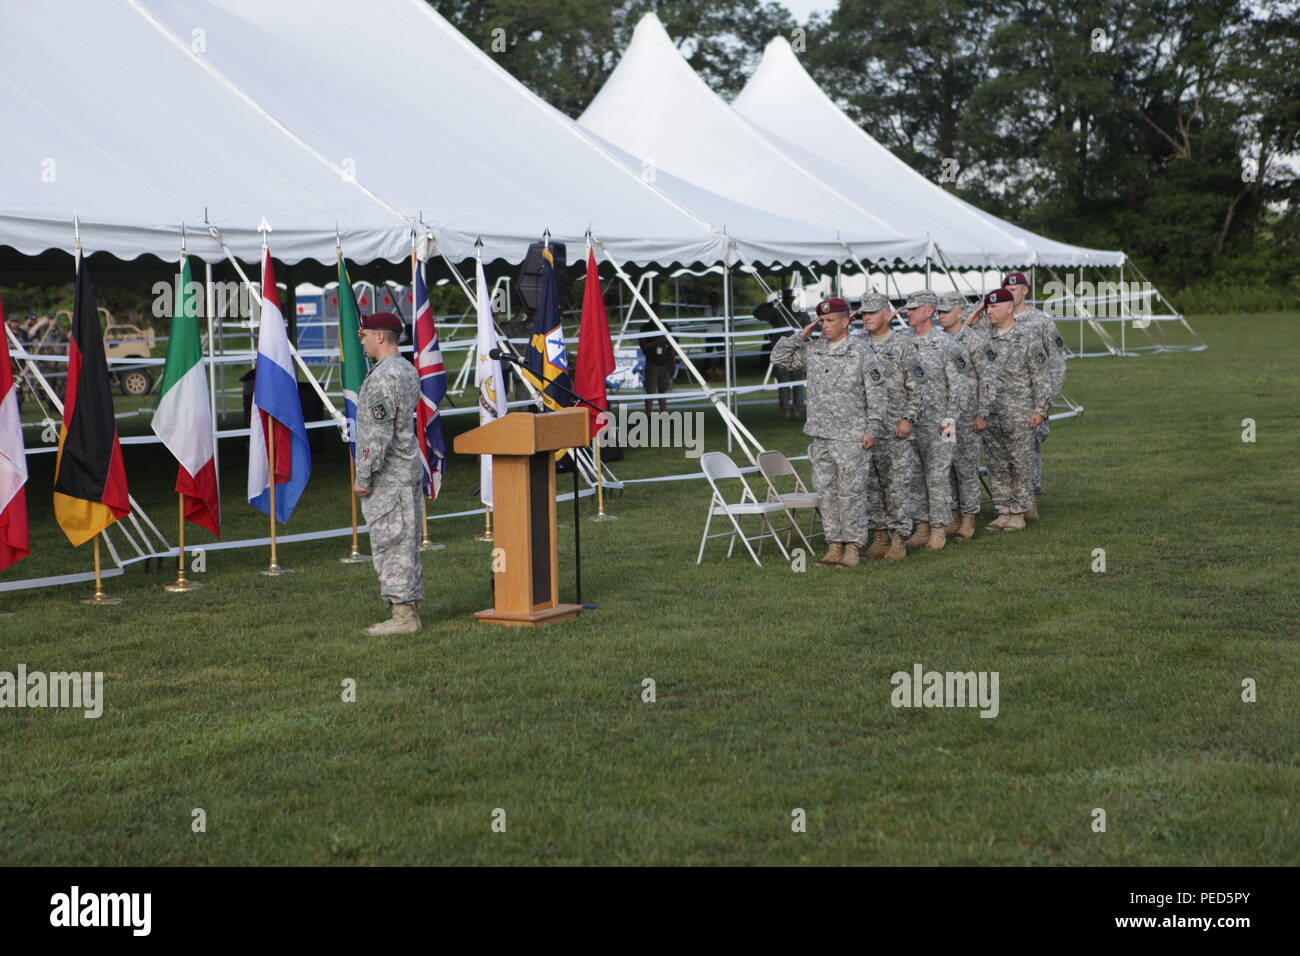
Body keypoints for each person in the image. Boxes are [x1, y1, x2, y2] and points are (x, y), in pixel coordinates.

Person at [770, 297, 888, 567]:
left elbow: (878, 394)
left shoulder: (861, 351)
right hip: (822, 435)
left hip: (852, 436)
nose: (824, 325)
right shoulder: (814, 350)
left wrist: (873, 428)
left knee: (851, 494)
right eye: (821, 320)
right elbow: (778, 357)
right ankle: (834, 544)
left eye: (830, 320)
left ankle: (853, 547)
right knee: (827, 494)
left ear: (846, 321)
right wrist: (801, 335)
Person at [352, 311, 425, 635]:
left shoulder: (383, 376)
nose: (362, 341)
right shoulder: (406, 369)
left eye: (364, 334)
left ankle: (403, 617)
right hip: (405, 471)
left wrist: (363, 476)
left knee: (391, 544)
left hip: (389, 476)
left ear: (380, 336)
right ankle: (406, 611)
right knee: (405, 542)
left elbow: (378, 434)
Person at [974, 289, 1052, 532]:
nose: (989, 311)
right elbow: (960, 337)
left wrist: (1040, 410)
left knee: (1020, 463)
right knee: (997, 463)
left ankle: (1019, 511)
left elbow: (1041, 377)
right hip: (992, 411)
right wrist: (971, 317)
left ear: (1009, 308)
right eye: (988, 307)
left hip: (1020, 412)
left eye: (994, 307)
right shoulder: (985, 337)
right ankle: (1003, 510)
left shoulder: (1028, 337)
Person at [857, 292, 923, 561]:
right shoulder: (857, 345)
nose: (867, 317)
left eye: (872, 312)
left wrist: (909, 418)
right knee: (872, 486)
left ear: (887, 314)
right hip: (866, 429)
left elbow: (918, 387)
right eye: (863, 313)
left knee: (896, 486)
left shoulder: (903, 345)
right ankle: (880, 536)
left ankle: (899, 538)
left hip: (895, 427)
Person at [903, 290, 971, 551]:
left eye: (914, 308)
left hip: (942, 423)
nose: (908, 312)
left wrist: (950, 420)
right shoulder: (903, 342)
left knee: (938, 476)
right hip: (913, 423)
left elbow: (959, 387)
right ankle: (921, 525)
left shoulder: (947, 345)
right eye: (907, 308)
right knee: (916, 477)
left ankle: (939, 528)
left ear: (928, 311)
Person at [1002, 271, 1066, 520]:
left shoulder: (1041, 321)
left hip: (1032, 399)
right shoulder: (994, 320)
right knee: (1003, 453)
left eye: (1015, 289)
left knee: (1030, 449)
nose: (1011, 293)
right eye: (1007, 289)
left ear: (1025, 291)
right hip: (1004, 400)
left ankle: (1029, 500)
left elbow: (1057, 362)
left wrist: (1047, 401)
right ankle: (1008, 501)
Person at [937, 291, 989, 539]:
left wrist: (983, 413)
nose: (942, 316)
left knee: (966, 468)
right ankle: (954, 514)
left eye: (946, 312)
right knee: (947, 466)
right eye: (939, 312)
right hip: (946, 418)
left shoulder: (974, 341)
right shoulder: (938, 340)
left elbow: (987, 379)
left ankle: (969, 517)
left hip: (967, 416)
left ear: (960, 311)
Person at [756, 288, 808, 418]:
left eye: (791, 299)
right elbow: (758, 314)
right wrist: (771, 303)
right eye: (786, 299)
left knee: (798, 380)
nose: (789, 301)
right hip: (781, 351)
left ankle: (797, 406)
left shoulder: (802, 313)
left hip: (798, 351)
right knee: (783, 380)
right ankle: (785, 407)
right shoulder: (777, 313)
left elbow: (809, 328)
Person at [639, 300, 673, 414]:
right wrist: (659, 340)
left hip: (664, 362)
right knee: (650, 391)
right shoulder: (646, 327)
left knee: (662, 390)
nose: (657, 312)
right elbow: (643, 346)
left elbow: (671, 346)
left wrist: (672, 362)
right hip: (652, 363)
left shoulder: (666, 326)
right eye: (655, 310)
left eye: (658, 310)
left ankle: (664, 413)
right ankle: (647, 415)